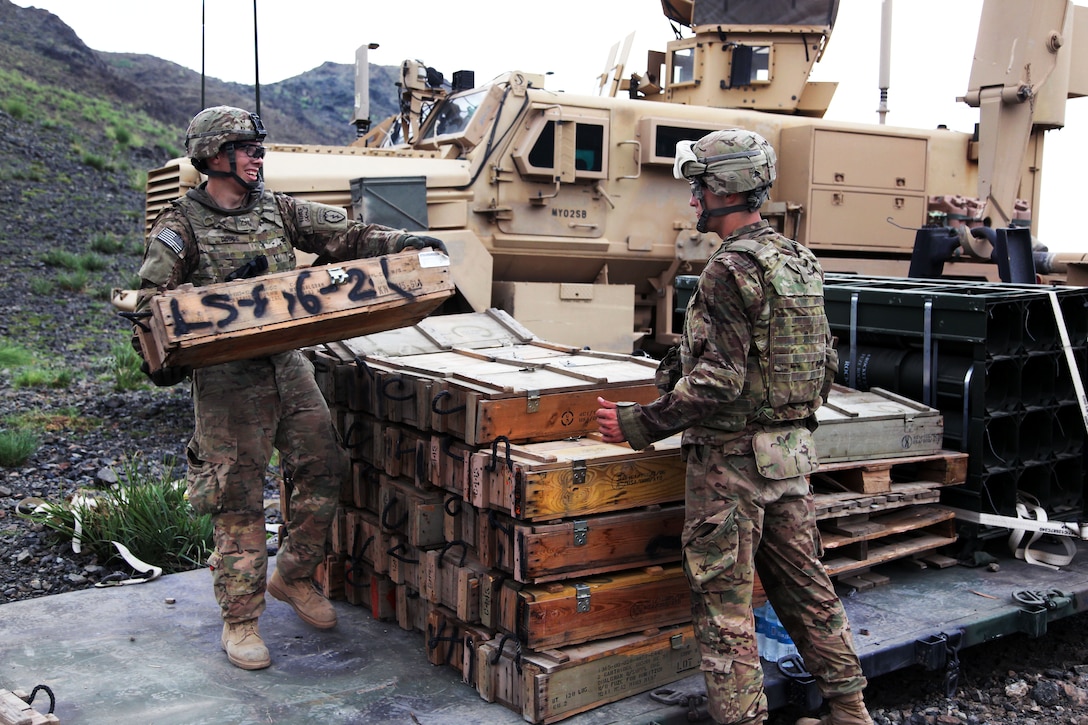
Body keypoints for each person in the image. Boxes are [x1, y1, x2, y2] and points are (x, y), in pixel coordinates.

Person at [133, 106, 445, 670]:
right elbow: (149, 308)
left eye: (259, 148)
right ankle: (241, 620)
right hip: (228, 379)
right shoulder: (179, 227)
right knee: (237, 497)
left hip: (286, 363)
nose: (259, 157)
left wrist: (408, 241)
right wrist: (162, 364)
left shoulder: (277, 209)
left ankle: (294, 574)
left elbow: (346, 233)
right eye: (248, 149)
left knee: (323, 466)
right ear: (215, 156)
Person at [596, 129, 871, 725]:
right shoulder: (798, 259)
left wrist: (640, 425)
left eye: (698, 188)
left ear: (723, 189)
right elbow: (821, 362)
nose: (693, 200)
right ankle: (851, 712)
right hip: (790, 453)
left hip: (732, 463)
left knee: (724, 605)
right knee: (807, 589)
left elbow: (718, 382)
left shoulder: (728, 269)